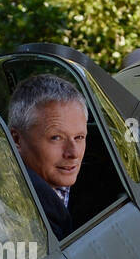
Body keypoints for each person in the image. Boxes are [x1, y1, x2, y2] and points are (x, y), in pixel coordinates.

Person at [8, 74, 88, 240]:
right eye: (56, 138)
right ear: (16, 139)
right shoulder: (27, 220)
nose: (73, 153)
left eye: (79, 137)